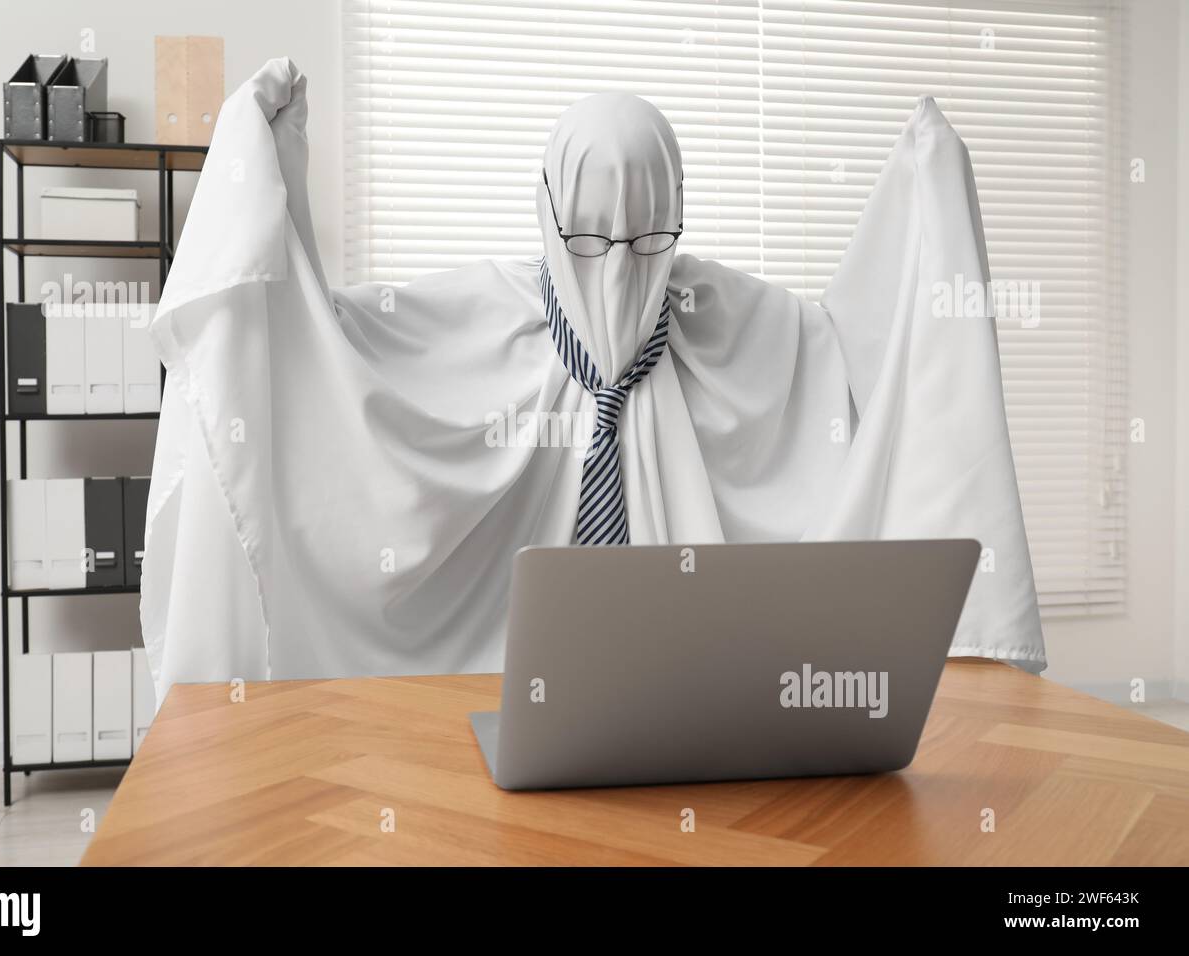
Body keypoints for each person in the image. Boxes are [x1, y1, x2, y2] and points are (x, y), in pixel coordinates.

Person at [141, 59, 1045, 701]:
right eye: (588, 241)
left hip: (689, 713)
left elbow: (856, 350)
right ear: (548, 217)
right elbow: (328, 349)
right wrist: (269, 166)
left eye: (650, 240)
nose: (619, 270)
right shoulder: (483, 312)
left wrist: (921, 203)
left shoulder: (713, 312)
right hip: (490, 701)